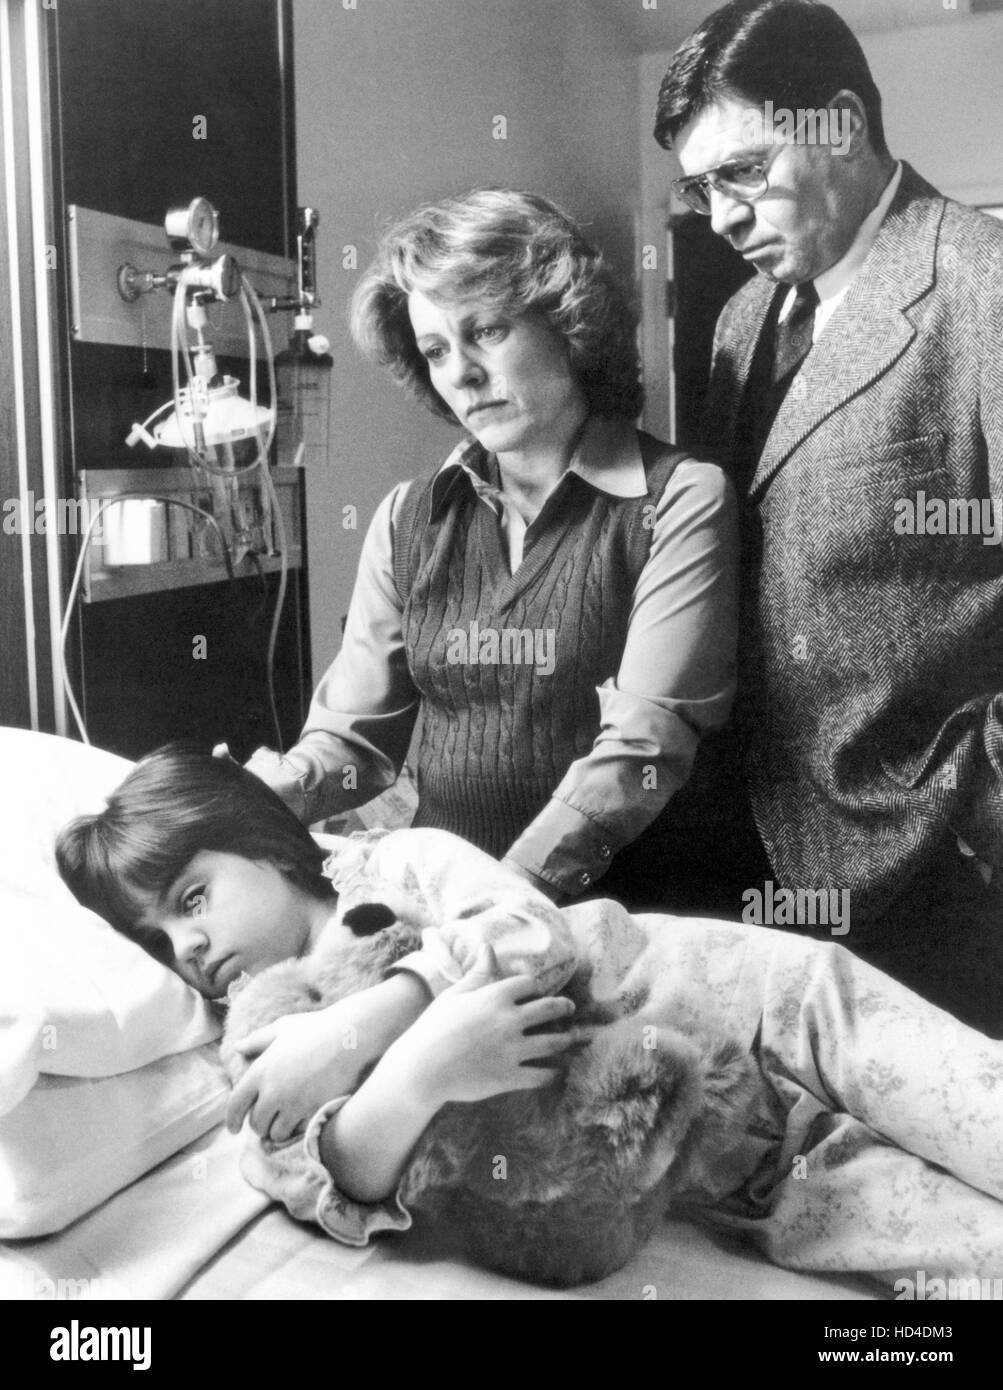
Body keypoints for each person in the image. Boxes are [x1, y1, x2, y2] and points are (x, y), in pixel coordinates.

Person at [56, 748, 1003, 1288]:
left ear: (259, 845)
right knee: (967, 1262)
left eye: (191, 897)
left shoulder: (400, 862)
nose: (186, 948)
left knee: (979, 1107)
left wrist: (387, 1016)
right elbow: (315, 1174)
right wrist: (419, 1072)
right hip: (733, 1160)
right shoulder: (259, 1034)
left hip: (765, 998)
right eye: (154, 941)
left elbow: (528, 927)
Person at [241, 188, 740, 914]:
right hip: (447, 906)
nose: (462, 374)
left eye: (487, 331)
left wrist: (504, 902)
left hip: (630, 913)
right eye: (437, 350)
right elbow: (356, 743)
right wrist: (270, 793)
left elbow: (645, 750)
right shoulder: (406, 519)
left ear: (570, 325)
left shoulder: (679, 500)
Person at [653, 0, 1003, 1034]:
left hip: (939, 865)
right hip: (760, 847)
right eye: (698, 186)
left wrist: (980, 806)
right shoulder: (740, 320)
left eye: (742, 172)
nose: (719, 215)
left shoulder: (982, 288)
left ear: (839, 124)